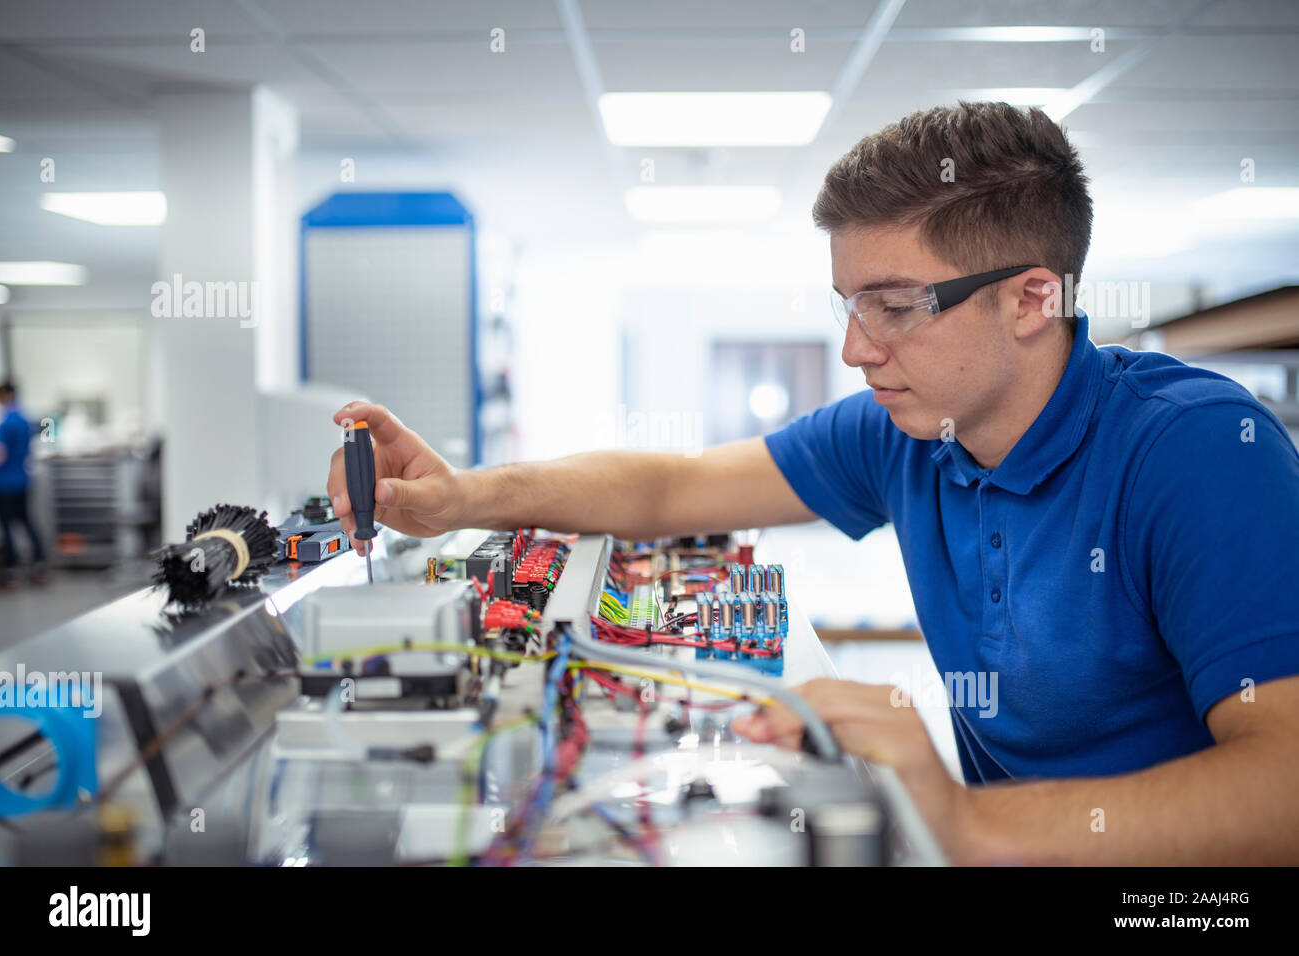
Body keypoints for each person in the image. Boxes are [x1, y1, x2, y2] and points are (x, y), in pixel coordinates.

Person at [325, 102, 1299, 865]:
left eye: (893, 306)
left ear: (1031, 297)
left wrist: (971, 820)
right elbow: (671, 488)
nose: (853, 347)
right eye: (847, 304)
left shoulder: (1198, 452)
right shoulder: (904, 432)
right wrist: (461, 499)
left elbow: (1283, 792)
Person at [0, 380, 48, 588]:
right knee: (27, 521)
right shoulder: (26, 418)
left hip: (6, 482)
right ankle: (39, 563)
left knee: (7, 525)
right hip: (24, 479)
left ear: (5, 394)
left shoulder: (6, 422)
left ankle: (10, 571)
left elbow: (1, 455)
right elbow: (46, 433)